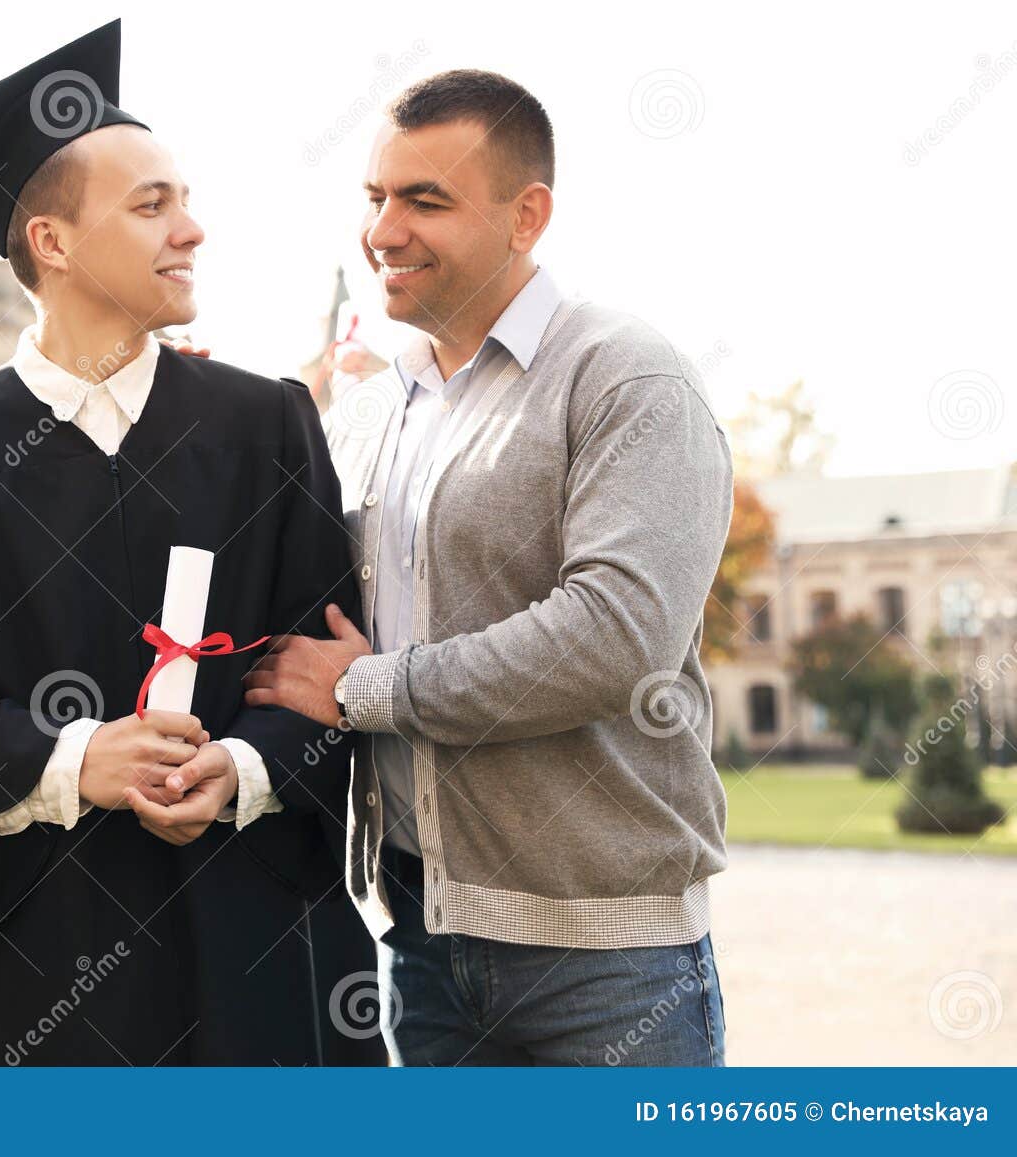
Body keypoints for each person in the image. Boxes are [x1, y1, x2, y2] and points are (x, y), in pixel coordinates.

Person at [0, 21, 381, 1065]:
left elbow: (331, 675)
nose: (192, 230)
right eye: (152, 206)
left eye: (182, 199)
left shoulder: (264, 422)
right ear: (52, 242)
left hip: (256, 940)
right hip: (31, 972)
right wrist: (72, 759)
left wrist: (241, 765)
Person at [247, 70, 734, 1066]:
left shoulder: (621, 372)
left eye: (425, 201)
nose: (384, 231)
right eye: (376, 198)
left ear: (527, 215)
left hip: (606, 964)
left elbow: (611, 638)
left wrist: (360, 688)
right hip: (422, 942)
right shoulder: (376, 409)